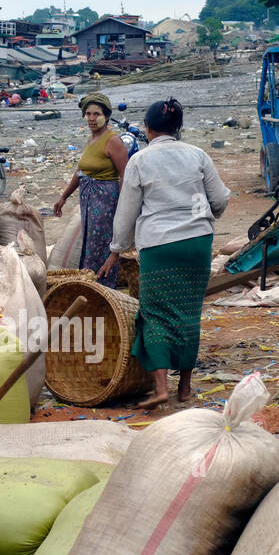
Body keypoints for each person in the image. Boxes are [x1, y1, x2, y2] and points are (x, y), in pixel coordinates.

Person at [101, 98, 230, 410]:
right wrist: (201, 217)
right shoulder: (197, 155)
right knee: (188, 314)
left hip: (159, 247)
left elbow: (126, 213)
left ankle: (161, 388)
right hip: (197, 244)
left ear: (147, 128)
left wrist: (116, 250)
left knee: (156, 314)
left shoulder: (140, 161)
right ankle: (184, 388)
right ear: (178, 128)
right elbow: (221, 198)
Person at [53, 92, 129, 287]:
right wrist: (64, 197)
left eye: (96, 114)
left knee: (102, 246)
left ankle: (104, 288)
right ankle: (91, 286)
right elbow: (81, 171)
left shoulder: (113, 140)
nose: (92, 118)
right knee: (89, 245)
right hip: (89, 202)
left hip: (105, 203)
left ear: (107, 116)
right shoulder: (92, 140)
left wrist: (123, 207)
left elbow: (125, 175)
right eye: (88, 114)